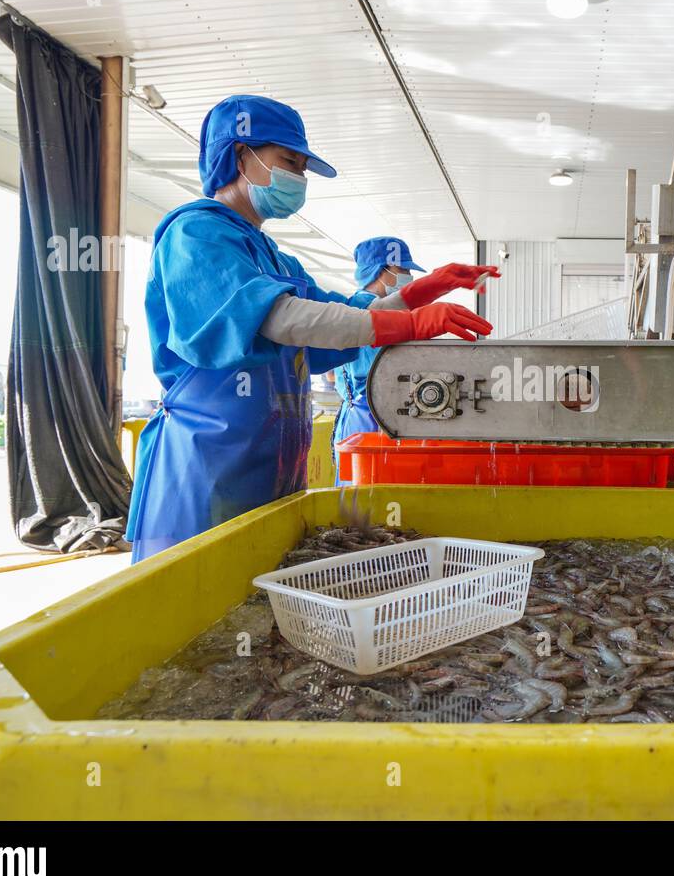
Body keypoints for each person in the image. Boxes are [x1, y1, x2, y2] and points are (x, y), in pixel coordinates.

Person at [125, 95, 496, 562]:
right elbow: (283, 318)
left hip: (271, 467)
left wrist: (424, 292)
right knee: (190, 599)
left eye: (301, 167)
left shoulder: (278, 258)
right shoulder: (196, 235)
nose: (298, 178)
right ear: (241, 155)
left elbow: (340, 315)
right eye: (288, 161)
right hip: (207, 467)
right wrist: (409, 323)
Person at [330, 236, 498, 484]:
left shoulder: (367, 308)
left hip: (369, 421)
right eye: (402, 270)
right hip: (370, 423)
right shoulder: (360, 312)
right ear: (380, 272)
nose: (408, 275)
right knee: (369, 503)